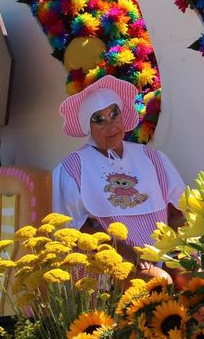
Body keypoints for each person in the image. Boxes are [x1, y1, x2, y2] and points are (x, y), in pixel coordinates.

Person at [52, 75, 184, 271]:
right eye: (99, 120)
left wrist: (176, 249)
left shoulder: (152, 157)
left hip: (162, 254)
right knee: (157, 281)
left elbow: (179, 211)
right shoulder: (73, 168)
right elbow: (70, 230)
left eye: (115, 114)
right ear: (88, 127)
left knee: (192, 280)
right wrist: (122, 251)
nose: (111, 126)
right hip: (111, 264)